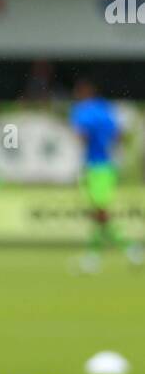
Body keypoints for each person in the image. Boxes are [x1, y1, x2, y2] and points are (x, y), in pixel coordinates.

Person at [69, 79, 133, 263]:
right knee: (99, 212)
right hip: (108, 166)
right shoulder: (106, 109)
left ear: (81, 94)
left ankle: (128, 248)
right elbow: (119, 135)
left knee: (100, 212)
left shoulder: (81, 112)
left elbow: (82, 136)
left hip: (94, 166)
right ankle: (95, 256)